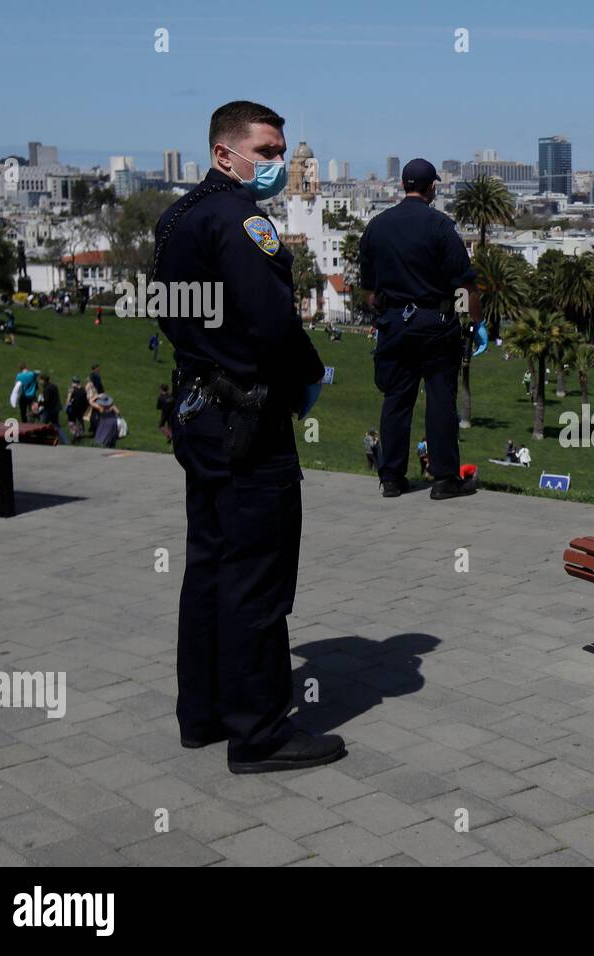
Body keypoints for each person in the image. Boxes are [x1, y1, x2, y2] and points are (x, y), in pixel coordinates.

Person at [153, 100, 342, 773]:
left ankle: (201, 713)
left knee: (208, 565)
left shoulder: (178, 218)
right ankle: (259, 731)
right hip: (246, 421)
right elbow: (269, 324)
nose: (278, 165)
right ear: (224, 154)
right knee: (256, 576)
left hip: (198, 411)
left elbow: (172, 315)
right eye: (266, 152)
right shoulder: (240, 221)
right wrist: (310, 374)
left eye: (282, 152)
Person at [360, 157, 481, 500]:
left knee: (396, 399)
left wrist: (387, 315)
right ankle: (444, 480)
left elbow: (369, 292)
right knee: (441, 399)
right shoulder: (441, 227)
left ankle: (392, 478)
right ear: (432, 187)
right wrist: (478, 321)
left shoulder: (377, 227)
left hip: (394, 325)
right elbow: (465, 287)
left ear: (402, 186)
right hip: (436, 325)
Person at [37, 373, 69, 443]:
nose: (39, 382)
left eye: (40, 380)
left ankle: (42, 439)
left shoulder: (46, 389)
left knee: (44, 425)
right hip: (56, 408)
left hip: (49, 410)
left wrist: (40, 403)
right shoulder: (53, 386)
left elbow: (47, 401)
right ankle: (63, 440)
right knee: (56, 425)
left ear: (43, 380)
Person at [65, 376, 88, 441]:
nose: (72, 384)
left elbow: (68, 401)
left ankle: (76, 434)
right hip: (81, 409)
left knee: (71, 422)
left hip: (73, 410)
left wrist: (69, 393)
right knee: (80, 421)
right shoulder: (83, 390)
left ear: (75, 383)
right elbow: (85, 401)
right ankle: (80, 433)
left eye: (72, 382)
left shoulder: (72, 390)